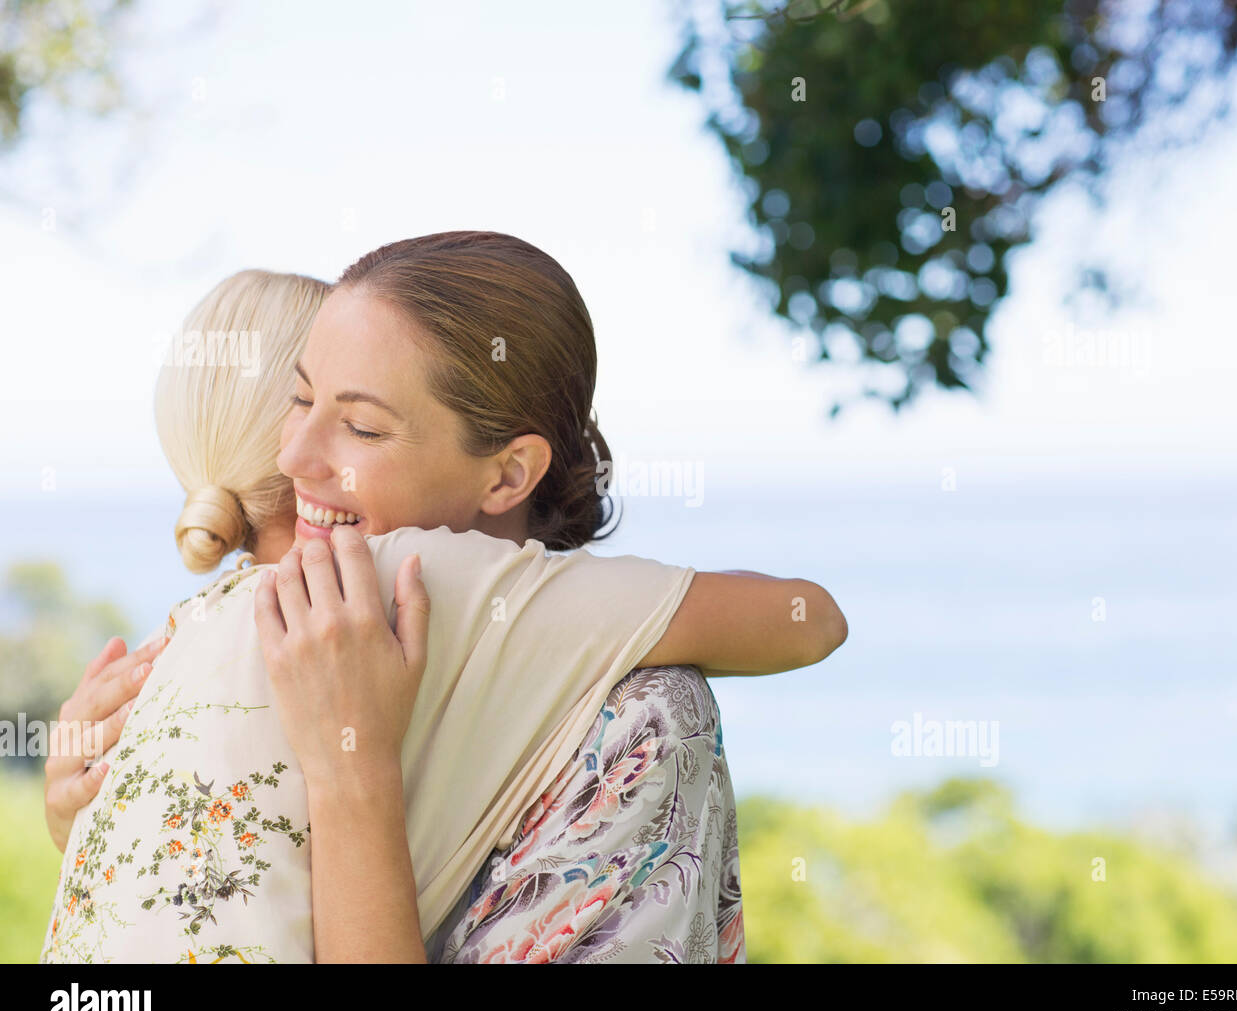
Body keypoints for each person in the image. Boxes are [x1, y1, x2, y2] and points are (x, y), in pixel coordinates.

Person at [44, 235, 848, 961]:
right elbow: (808, 619)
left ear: (507, 472)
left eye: (361, 426)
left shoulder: (639, 720)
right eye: (300, 398)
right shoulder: (350, 605)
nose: (293, 452)